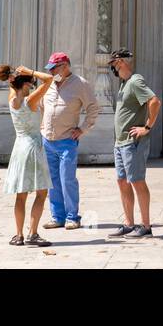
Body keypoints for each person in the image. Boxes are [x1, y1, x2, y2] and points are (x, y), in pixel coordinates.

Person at [0, 63, 54, 247]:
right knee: (41, 192)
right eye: (31, 84)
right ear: (26, 84)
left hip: (19, 147)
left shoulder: (12, 98)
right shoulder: (31, 101)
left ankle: (18, 235)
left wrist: (18, 76)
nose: (32, 86)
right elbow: (50, 79)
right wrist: (31, 72)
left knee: (21, 196)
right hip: (33, 146)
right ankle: (33, 233)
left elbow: (14, 85)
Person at [39, 51, 100, 229]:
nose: (50, 72)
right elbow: (42, 106)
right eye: (49, 69)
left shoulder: (80, 84)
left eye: (53, 68)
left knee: (67, 179)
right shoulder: (49, 84)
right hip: (47, 140)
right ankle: (57, 216)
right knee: (52, 180)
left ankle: (72, 217)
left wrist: (83, 129)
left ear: (65, 66)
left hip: (67, 140)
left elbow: (93, 108)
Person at [108, 48, 160, 239]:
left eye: (113, 63)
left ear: (120, 62)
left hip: (133, 142)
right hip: (120, 143)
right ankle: (129, 224)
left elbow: (154, 101)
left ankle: (146, 226)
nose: (112, 68)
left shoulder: (135, 80)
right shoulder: (124, 83)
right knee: (122, 181)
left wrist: (147, 127)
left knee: (137, 181)